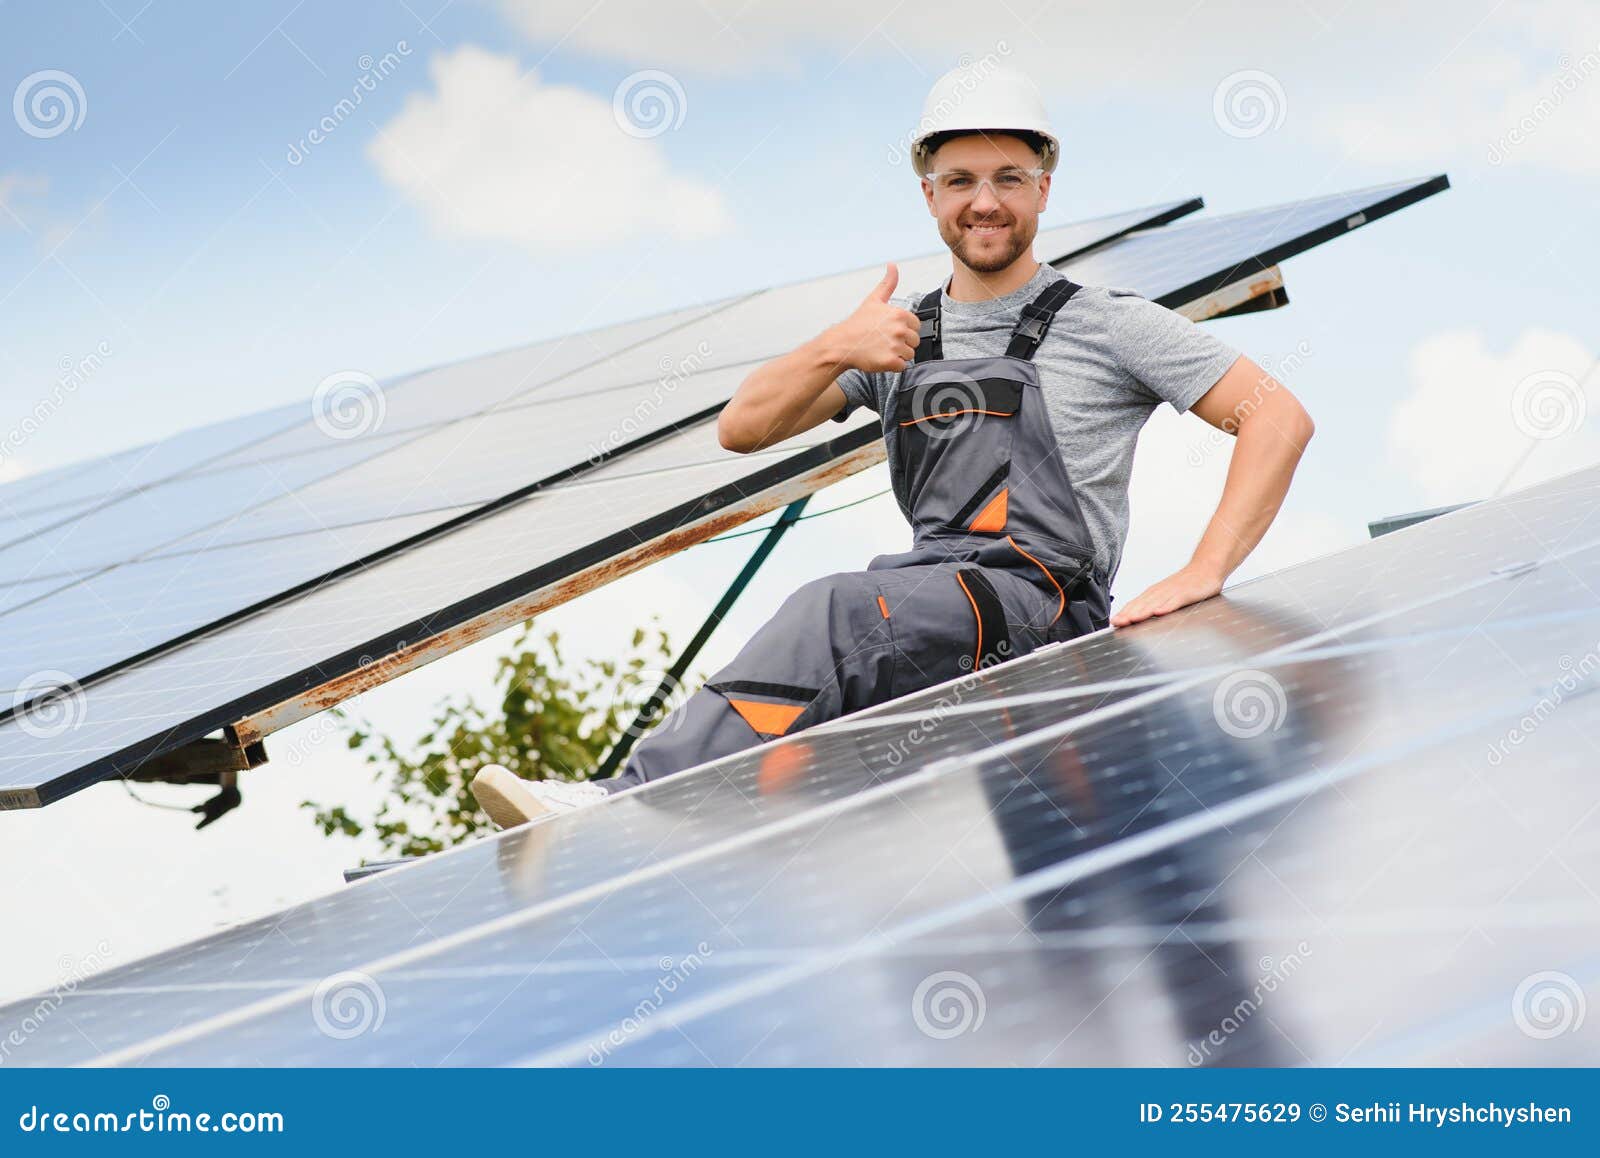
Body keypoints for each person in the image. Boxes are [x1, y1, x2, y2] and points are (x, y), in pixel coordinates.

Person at [472, 63, 1314, 829]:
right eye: (960, 182)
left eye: (1008, 179)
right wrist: (836, 347)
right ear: (928, 194)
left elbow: (1277, 416)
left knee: (835, 612)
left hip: (1043, 610)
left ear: (1044, 189)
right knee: (1029, 914)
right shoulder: (898, 335)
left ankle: (620, 806)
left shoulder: (1109, 323)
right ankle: (704, 829)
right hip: (935, 608)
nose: (984, 201)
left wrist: (1206, 572)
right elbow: (743, 429)